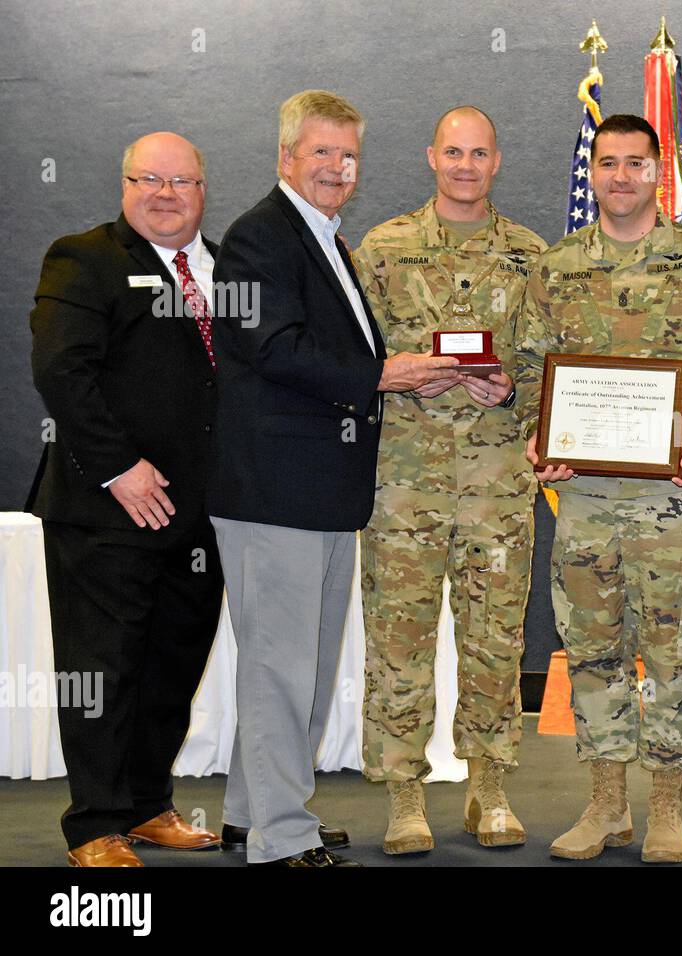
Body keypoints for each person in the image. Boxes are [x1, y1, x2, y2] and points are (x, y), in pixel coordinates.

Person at [208, 89, 459, 867]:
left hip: (318, 495)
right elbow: (270, 348)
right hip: (273, 494)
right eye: (320, 152)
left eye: (347, 155)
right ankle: (283, 836)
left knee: (300, 671)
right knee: (281, 672)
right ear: (286, 156)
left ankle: (256, 816)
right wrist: (384, 373)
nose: (336, 167)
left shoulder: (321, 238)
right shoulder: (259, 238)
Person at [515, 114, 682, 863]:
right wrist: (537, 430)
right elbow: (529, 368)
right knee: (592, 653)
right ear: (594, 174)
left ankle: (669, 812)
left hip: (676, 502)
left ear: (659, 173)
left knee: (678, 655)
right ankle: (606, 805)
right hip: (586, 500)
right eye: (608, 164)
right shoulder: (554, 269)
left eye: (635, 164)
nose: (620, 177)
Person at [352, 106, 546, 854]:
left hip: (497, 485)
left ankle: (487, 788)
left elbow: (550, 364)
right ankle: (406, 795)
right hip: (405, 483)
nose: (466, 166)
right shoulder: (384, 249)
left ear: (497, 161)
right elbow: (352, 354)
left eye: (479, 154)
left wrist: (516, 391)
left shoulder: (531, 256)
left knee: (494, 638)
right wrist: (395, 377)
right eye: (453, 152)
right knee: (399, 637)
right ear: (432, 157)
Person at [28, 132, 225, 866]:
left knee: (172, 666)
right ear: (124, 186)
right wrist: (121, 469)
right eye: (149, 179)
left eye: (182, 181)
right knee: (100, 669)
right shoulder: (84, 258)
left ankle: (146, 806)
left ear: (204, 191)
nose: (165, 193)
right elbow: (61, 371)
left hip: (198, 517)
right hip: (106, 510)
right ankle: (94, 826)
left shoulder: (222, 269)